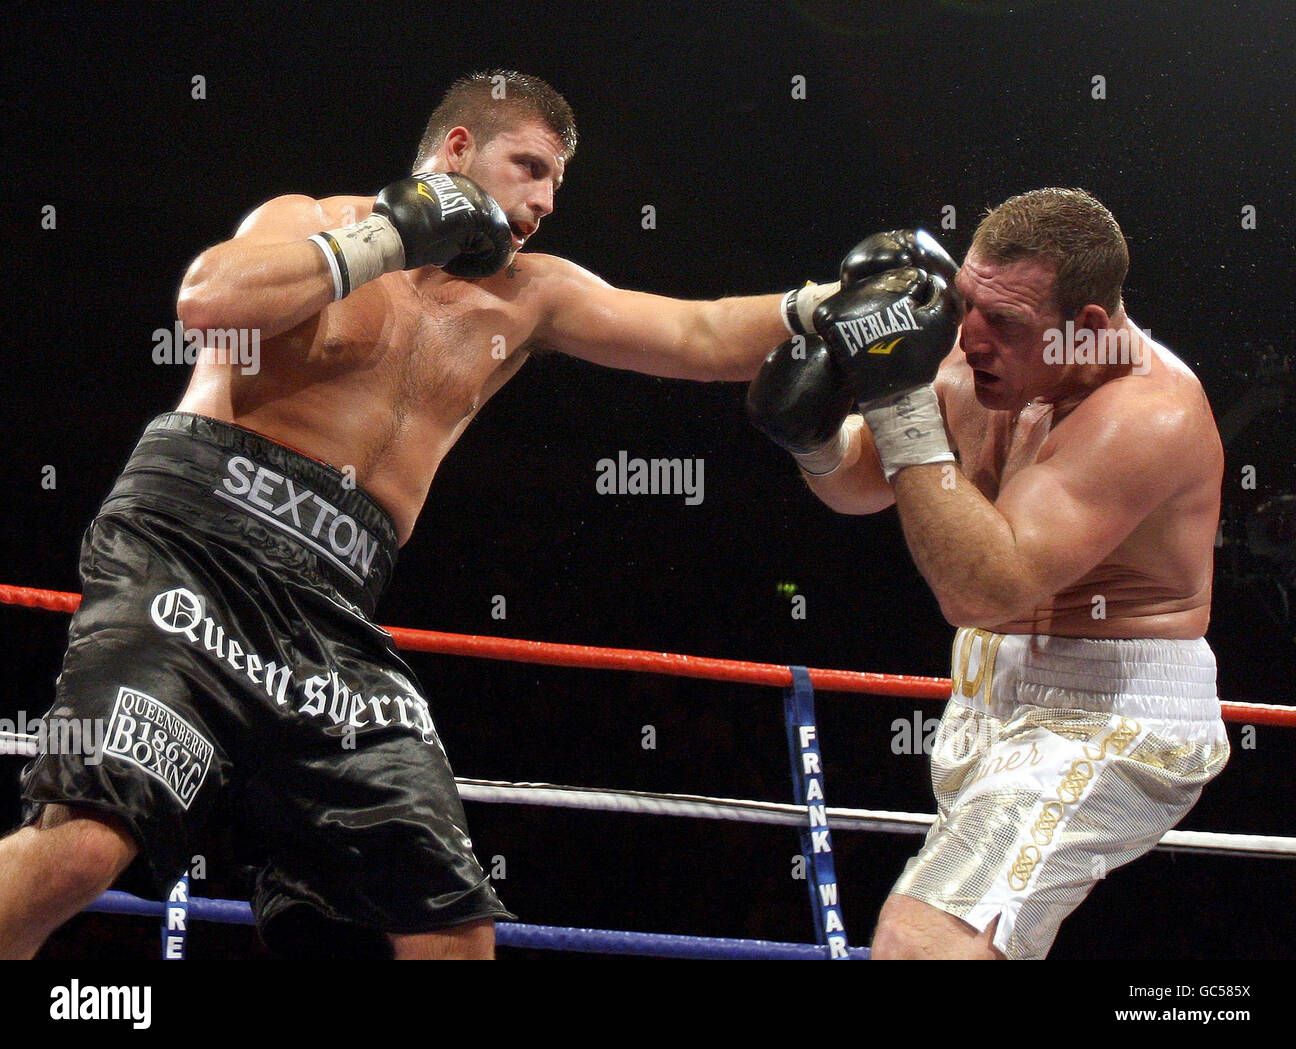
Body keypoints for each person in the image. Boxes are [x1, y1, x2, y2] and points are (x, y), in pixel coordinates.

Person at [0, 69, 840, 960]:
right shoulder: (315, 218)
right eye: (531, 167)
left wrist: (825, 307)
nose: (547, 200)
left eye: (558, 182)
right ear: (458, 150)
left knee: (447, 923)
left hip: (333, 607)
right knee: (87, 841)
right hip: (196, 545)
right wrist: (387, 238)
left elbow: (702, 336)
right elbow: (208, 304)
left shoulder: (531, 296)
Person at [747, 189, 1230, 959]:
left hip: (1107, 716)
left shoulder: (1145, 412)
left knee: (925, 935)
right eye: (966, 303)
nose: (967, 337)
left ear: (1089, 330)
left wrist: (895, 398)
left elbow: (982, 588)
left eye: (1003, 321)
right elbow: (871, 478)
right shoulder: (992, 360)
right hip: (984, 701)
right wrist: (816, 444)